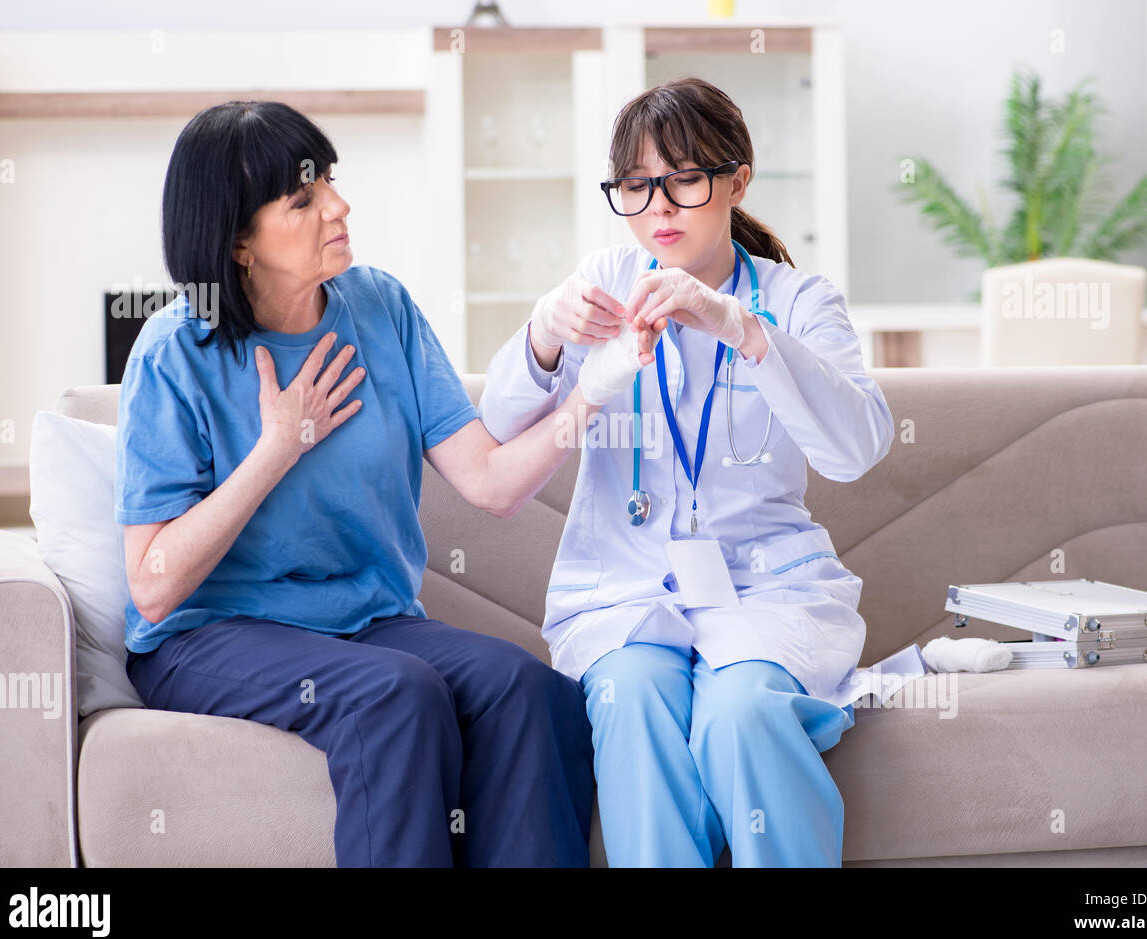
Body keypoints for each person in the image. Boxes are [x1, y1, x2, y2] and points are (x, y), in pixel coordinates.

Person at [117, 100, 653, 867]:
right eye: (302, 199)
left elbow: (492, 482)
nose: (337, 205)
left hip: (367, 621)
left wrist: (591, 391)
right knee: (396, 695)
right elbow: (153, 587)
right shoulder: (176, 351)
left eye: (329, 179)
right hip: (213, 632)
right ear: (238, 241)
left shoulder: (380, 306)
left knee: (534, 692)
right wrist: (277, 447)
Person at [477, 77, 896, 867]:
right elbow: (495, 433)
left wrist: (741, 328)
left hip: (767, 587)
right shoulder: (600, 281)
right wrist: (541, 334)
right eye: (637, 186)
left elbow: (856, 448)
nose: (659, 206)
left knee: (740, 711)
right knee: (631, 699)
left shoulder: (797, 300)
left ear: (736, 182)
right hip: (626, 589)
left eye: (685, 179)